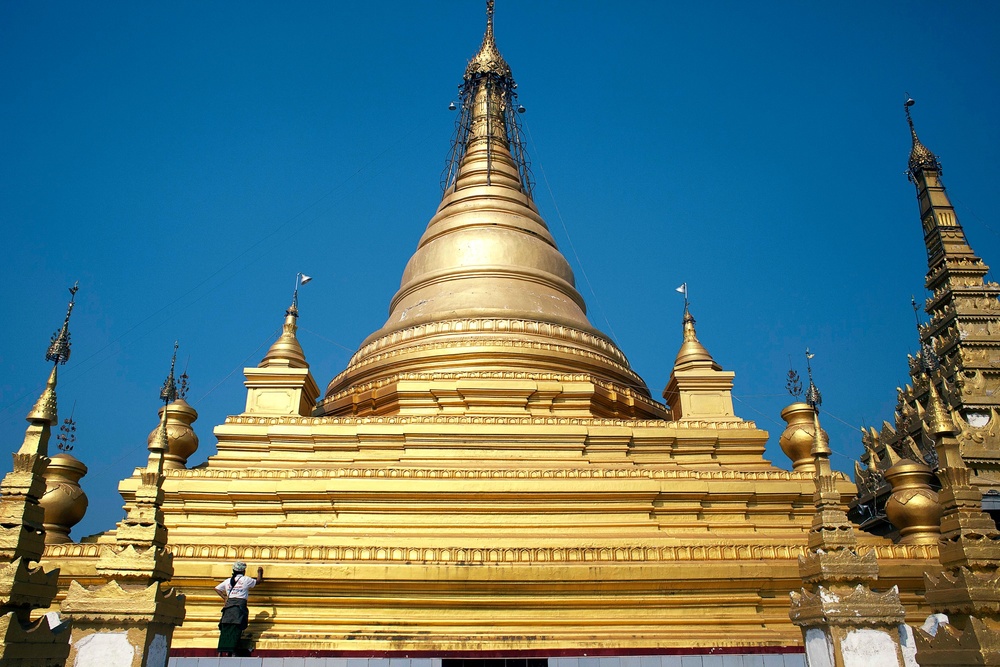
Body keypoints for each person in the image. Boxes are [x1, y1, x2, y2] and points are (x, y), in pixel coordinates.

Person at [215, 561, 264, 656]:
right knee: (236, 628)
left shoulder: (228, 581)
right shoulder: (245, 580)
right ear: (243, 571)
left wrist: (224, 598)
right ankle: (233, 650)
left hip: (228, 608)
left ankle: (221, 651)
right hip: (239, 608)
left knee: (225, 628)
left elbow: (216, 588)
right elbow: (258, 581)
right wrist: (260, 572)